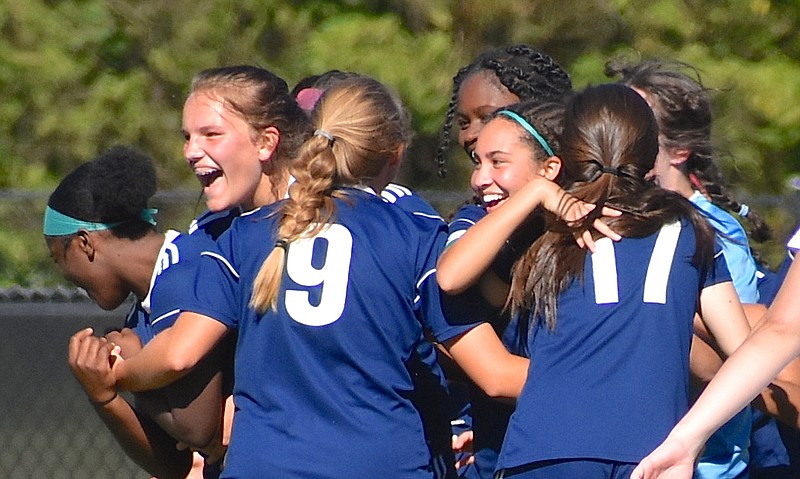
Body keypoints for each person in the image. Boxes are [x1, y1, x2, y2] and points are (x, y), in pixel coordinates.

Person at [105, 75, 528, 478]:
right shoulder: (414, 236)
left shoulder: (244, 234)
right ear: (394, 154)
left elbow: (178, 354)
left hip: (264, 464)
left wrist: (116, 375)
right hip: (378, 463)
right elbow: (494, 375)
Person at [439, 83, 752, 479]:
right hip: (651, 455)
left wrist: (535, 193)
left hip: (546, 451)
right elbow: (745, 355)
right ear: (651, 155)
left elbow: (450, 277)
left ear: (566, 156)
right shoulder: (690, 229)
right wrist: (693, 432)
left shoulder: (550, 229)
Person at [61, 65, 310, 478]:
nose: (191, 151)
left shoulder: (210, 251)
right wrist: (110, 391)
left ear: (267, 141)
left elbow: (189, 395)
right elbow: (181, 458)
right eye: (187, 137)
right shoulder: (223, 231)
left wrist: (121, 370)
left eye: (210, 134)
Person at [609, 59, 793, 479]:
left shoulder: (713, 230)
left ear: (680, 151)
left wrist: (653, 311)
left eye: (641, 129)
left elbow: (738, 352)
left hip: (706, 462)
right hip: (623, 447)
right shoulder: (606, 220)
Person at [435, 44, 573, 479]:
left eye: (489, 116)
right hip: (506, 458)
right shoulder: (477, 221)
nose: (473, 135)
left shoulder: (593, 231)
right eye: (465, 122)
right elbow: (452, 276)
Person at [47, 145, 218, 479]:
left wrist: (130, 371)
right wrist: (104, 396)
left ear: (84, 243)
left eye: (58, 258)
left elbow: (198, 430)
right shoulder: (139, 316)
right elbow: (174, 464)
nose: (64, 275)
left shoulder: (188, 268)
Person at [632, 228, 800, 479]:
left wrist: (676, 311)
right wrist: (686, 439)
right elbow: (780, 329)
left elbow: (779, 335)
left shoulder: (703, 236)